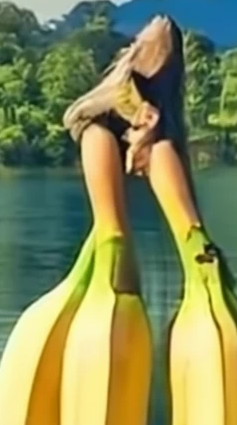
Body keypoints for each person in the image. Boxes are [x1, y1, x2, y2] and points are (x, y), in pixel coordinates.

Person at [61, 15, 208, 250]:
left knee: (161, 149)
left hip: (146, 143)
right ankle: (111, 245)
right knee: (98, 136)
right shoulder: (116, 99)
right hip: (109, 142)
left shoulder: (162, 128)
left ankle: (197, 249)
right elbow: (73, 118)